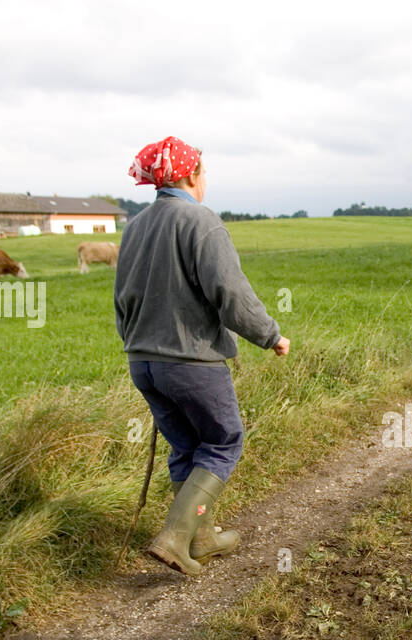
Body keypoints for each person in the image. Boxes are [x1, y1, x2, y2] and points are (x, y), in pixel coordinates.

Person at [114, 135, 291, 575]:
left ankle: (203, 535)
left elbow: (123, 299)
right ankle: (175, 538)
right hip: (190, 361)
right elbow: (230, 292)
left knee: (187, 447)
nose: (206, 179)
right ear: (191, 175)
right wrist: (270, 335)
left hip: (143, 361)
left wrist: (137, 344)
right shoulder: (200, 221)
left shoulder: (135, 227)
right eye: (204, 172)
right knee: (223, 442)